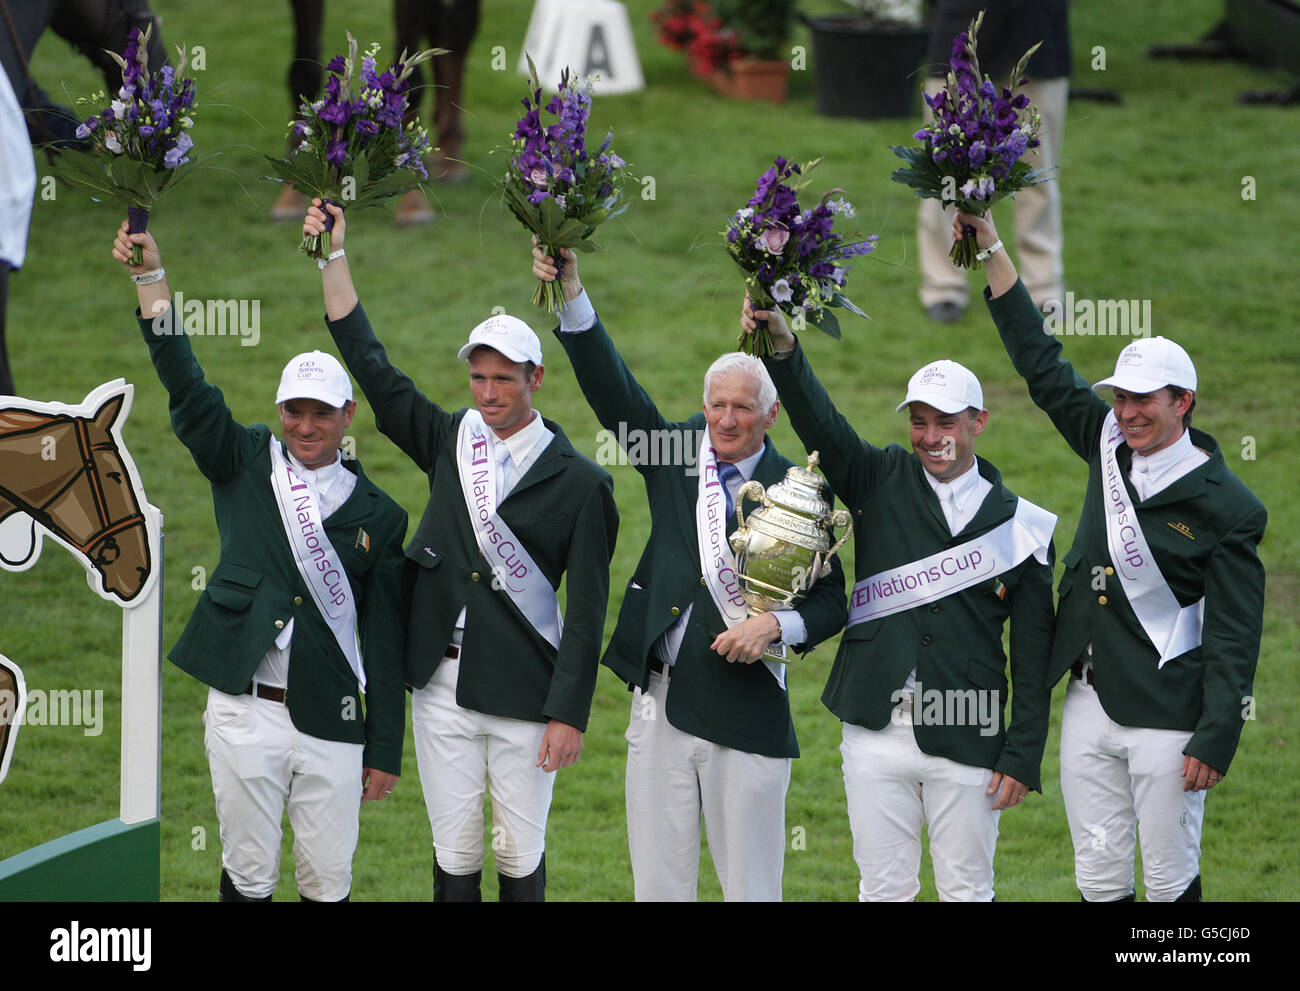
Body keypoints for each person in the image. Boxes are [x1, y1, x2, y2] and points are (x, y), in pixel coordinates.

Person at [304, 201, 618, 902]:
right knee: (454, 856)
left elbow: (587, 611)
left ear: (537, 379)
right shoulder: (452, 438)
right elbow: (375, 373)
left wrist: (570, 712)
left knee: (519, 859)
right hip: (438, 687)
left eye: (504, 379)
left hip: (525, 692)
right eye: (478, 378)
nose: (489, 393)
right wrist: (333, 258)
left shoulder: (583, 483)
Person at [957, 208, 1267, 901]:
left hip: (1168, 711)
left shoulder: (1231, 506)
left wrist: (1218, 733)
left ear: (1183, 401)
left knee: (1169, 880)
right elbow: (1043, 367)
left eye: (1143, 400)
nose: (1126, 413)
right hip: (1086, 702)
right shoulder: (1107, 442)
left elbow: (1235, 633)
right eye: (1120, 398)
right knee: (1098, 878)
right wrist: (993, 247)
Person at [533, 245, 847, 902]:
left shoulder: (797, 489)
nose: (727, 419)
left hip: (748, 709)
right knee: (658, 889)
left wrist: (774, 625)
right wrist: (571, 294)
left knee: (752, 890)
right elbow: (615, 393)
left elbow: (831, 600)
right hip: (659, 705)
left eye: (742, 407)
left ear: (771, 414)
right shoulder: (677, 452)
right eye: (717, 405)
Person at [112, 221, 408, 902]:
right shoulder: (245, 461)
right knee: (248, 877)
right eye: (293, 411)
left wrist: (385, 747)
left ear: (347, 414)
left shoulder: (383, 517)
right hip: (245, 712)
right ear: (278, 410)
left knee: (328, 881)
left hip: (333, 716)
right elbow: (187, 387)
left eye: (320, 413)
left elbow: (385, 642)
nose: (305, 426)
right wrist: (150, 279)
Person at [741, 299, 1058, 902]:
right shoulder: (879, 475)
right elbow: (820, 422)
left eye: (946, 422)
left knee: (967, 892)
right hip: (874, 727)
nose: (931, 437)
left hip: (968, 728)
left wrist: (1022, 755)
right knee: (882, 891)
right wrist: (782, 346)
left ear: (979, 422)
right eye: (919, 422)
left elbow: (1034, 655)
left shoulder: (1019, 525)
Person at [918, 0, 1070, 323]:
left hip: (1038, 25)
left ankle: (1043, 286)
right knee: (944, 174)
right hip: (960, 19)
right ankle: (943, 286)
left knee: (1038, 172)